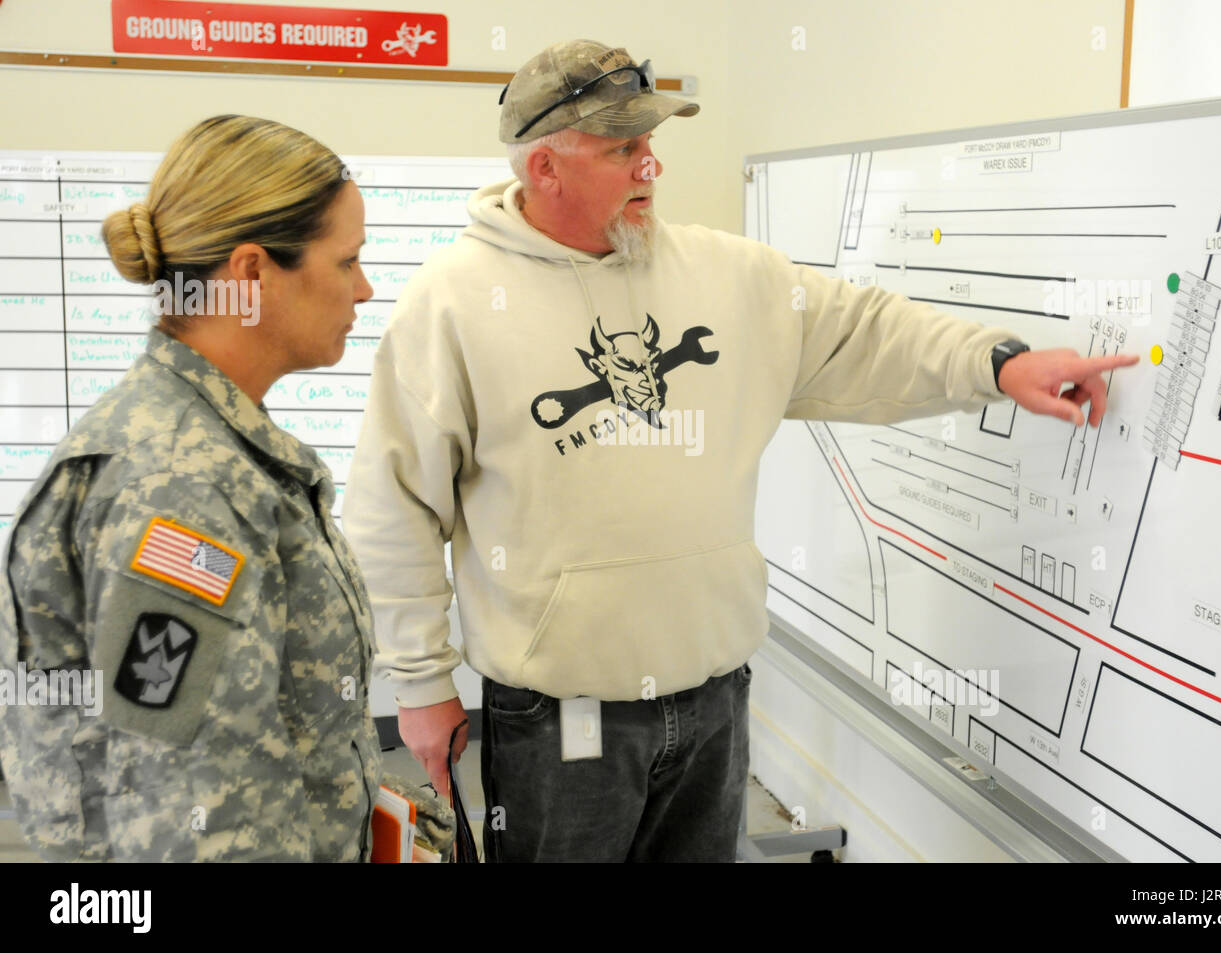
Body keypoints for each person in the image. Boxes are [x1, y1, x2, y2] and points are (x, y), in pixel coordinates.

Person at [342, 39, 1138, 862]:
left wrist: (1000, 365)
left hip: (714, 702)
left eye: (651, 144)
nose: (650, 167)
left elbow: (868, 331)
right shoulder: (455, 302)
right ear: (545, 167)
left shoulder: (730, 277)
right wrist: (421, 682)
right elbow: (394, 504)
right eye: (623, 149)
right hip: (559, 723)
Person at [0, 115, 382, 861]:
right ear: (250, 274)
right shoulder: (180, 486)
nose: (363, 290)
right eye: (347, 262)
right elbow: (198, 809)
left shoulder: (209, 445)